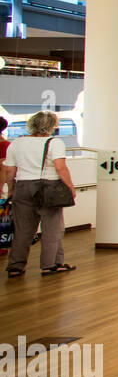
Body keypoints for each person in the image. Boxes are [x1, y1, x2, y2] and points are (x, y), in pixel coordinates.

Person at [2, 111, 76, 278]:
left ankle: (15, 266)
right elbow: (60, 167)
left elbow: (9, 170)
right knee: (52, 228)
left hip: (22, 187)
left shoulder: (17, 143)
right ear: (51, 126)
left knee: (23, 230)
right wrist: (70, 187)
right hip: (48, 188)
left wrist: (12, 189)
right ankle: (51, 265)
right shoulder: (54, 143)